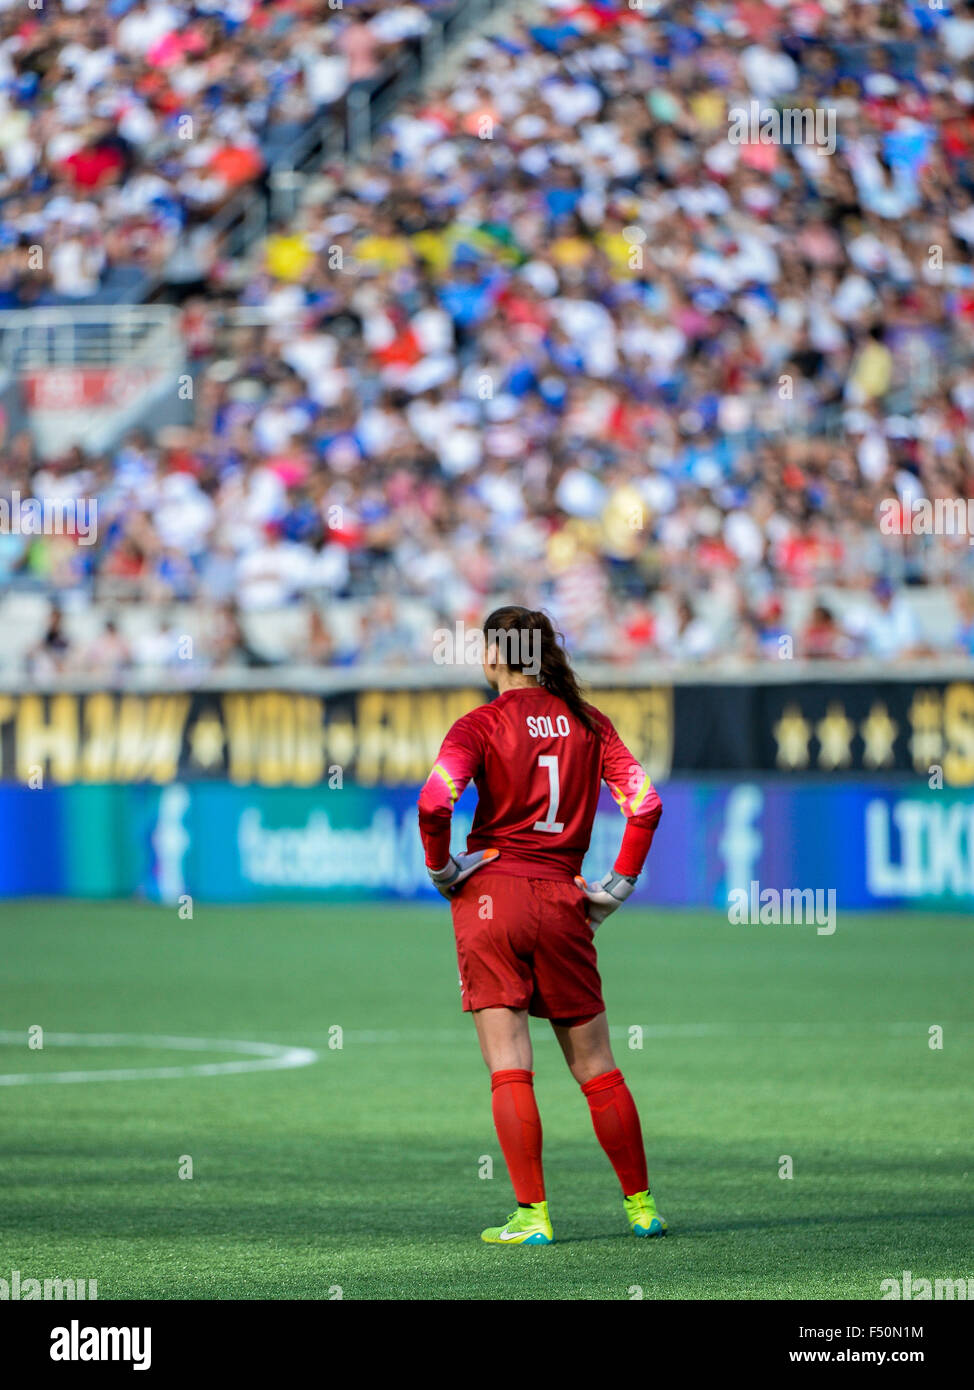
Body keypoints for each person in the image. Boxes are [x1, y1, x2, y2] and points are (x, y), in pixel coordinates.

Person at [417, 606, 664, 1245]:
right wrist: (619, 886)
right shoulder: (589, 722)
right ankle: (641, 1208)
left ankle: (533, 1216)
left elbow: (434, 800)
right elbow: (645, 803)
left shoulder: (480, 723)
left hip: (491, 899)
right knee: (599, 1067)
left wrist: (443, 868)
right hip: (564, 900)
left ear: (495, 656)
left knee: (510, 1066)